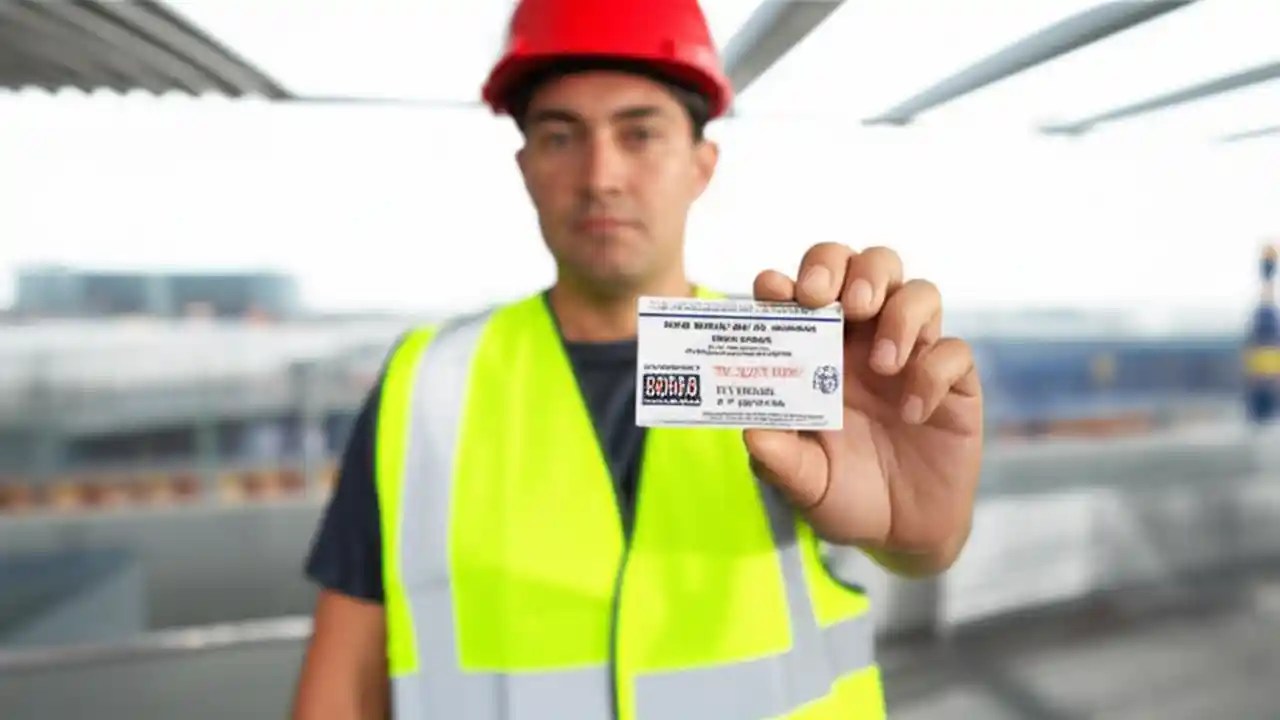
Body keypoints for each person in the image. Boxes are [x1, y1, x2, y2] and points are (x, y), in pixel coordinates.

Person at [291, 0, 983, 717]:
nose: (601, 176)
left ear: (702, 166)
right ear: (525, 167)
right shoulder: (427, 385)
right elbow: (341, 684)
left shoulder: (814, 367)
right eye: (561, 136)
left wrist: (922, 535)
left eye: (640, 133)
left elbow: (913, 546)